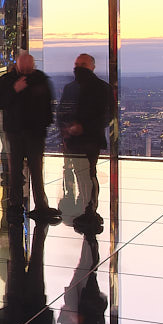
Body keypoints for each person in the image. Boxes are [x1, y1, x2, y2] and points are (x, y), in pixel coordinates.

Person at [0, 50, 58, 222]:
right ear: (18, 65)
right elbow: (0, 102)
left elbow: (47, 104)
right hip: (16, 132)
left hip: (34, 132)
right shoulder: (7, 81)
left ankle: (39, 205)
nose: (27, 70)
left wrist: (44, 125)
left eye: (29, 67)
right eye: (24, 67)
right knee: (16, 171)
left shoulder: (40, 79)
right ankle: (15, 205)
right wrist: (15, 90)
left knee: (36, 170)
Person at [55, 53, 114, 232]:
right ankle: (87, 208)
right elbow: (61, 112)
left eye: (82, 64)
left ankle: (89, 209)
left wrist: (82, 127)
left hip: (89, 140)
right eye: (77, 64)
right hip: (74, 140)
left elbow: (106, 115)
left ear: (92, 67)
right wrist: (67, 128)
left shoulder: (101, 89)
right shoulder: (72, 88)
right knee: (83, 175)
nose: (78, 67)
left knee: (87, 175)